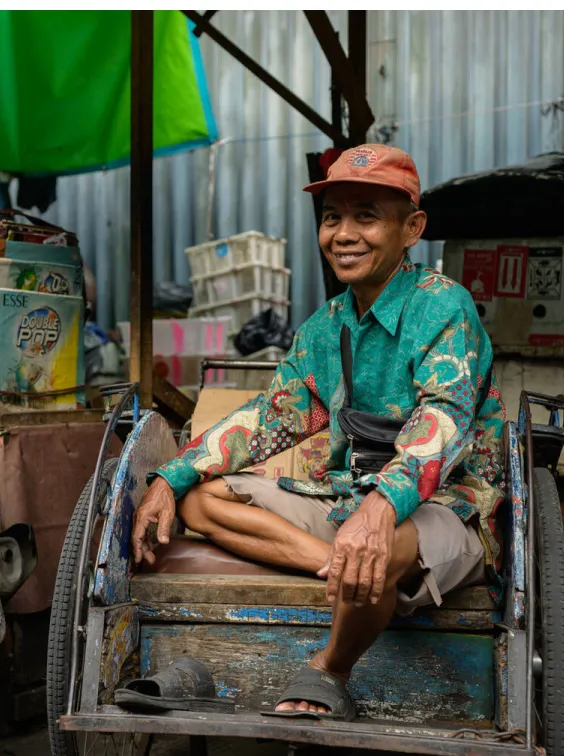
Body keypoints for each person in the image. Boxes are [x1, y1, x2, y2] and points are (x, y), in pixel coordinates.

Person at [131, 144, 506, 719]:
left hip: (446, 504)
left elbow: (446, 420)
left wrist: (381, 508)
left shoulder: (444, 307)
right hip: (345, 502)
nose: (344, 234)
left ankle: (328, 667)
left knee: (383, 549)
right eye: (333, 218)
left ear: (412, 229)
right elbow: (270, 418)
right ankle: (336, 564)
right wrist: (169, 477)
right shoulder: (325, 328)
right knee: (201, 500)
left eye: (366, 216)